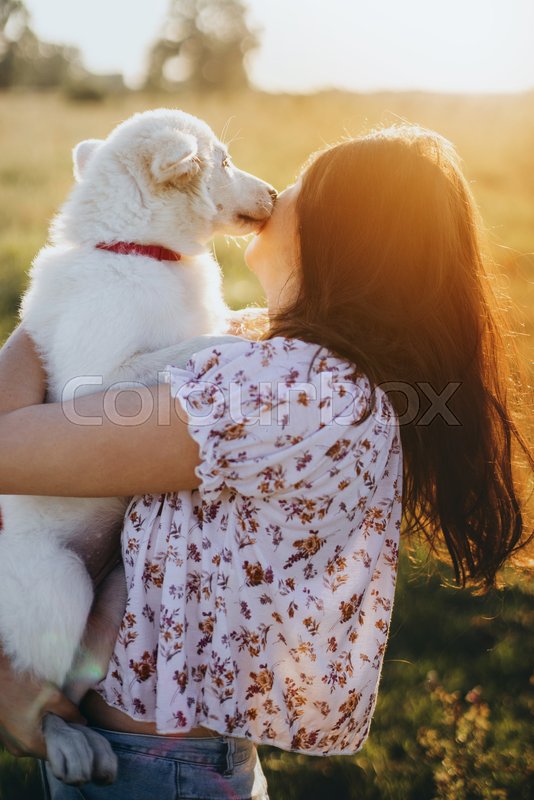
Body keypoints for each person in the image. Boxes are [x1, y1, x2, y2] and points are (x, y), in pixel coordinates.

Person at [0, 125, 531, 799]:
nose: (278, 192)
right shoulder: (282, 355)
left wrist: (82, 271)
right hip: (169, 759)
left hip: (155, 773)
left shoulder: (288, 391)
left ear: (340, 231)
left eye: (302, 185)